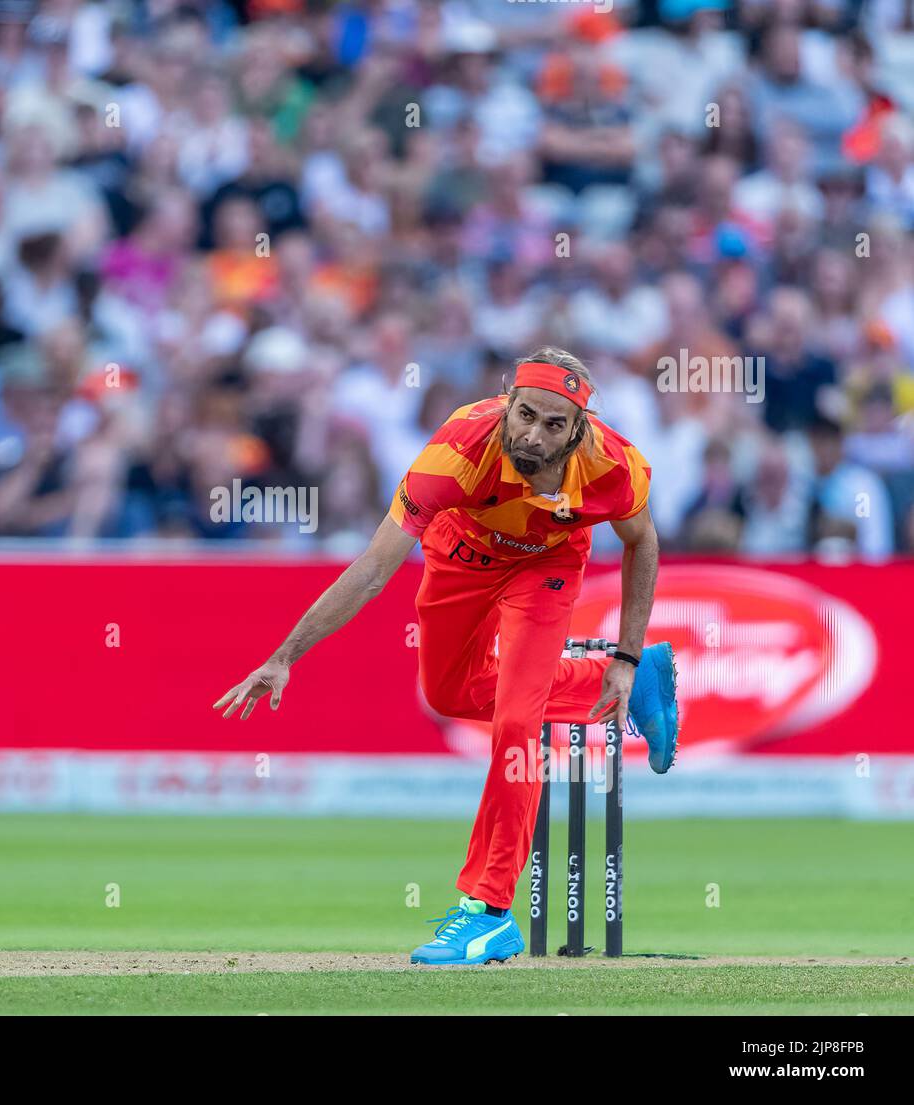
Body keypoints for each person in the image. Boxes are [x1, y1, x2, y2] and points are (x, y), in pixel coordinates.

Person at [213, 347, 680, 966]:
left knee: (517, 724)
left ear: (579, 430)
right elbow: (375, 568)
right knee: (447, 694)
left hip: (548, 565)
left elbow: (641, 542)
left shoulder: (612, 466)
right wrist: (284, 656)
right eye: (526, 415)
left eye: (553, 425)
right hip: (460, 555)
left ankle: (487, 914)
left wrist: (625, 647)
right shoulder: (455, 454)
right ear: (508, 402)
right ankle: (634, 680)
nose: (533, 435)